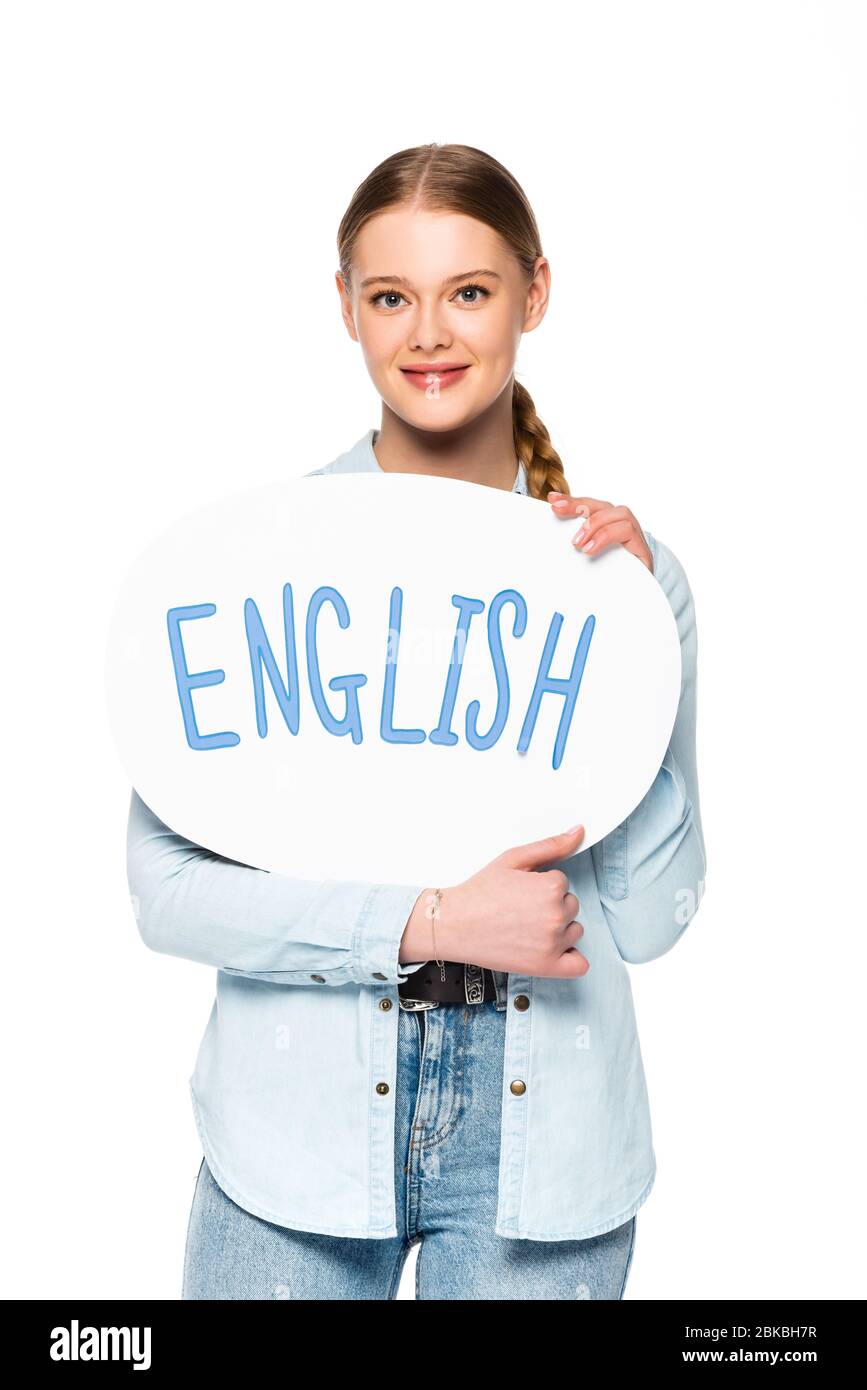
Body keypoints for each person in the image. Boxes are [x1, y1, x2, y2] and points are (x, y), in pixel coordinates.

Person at [126, 143, 707, 1300]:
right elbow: (167, 894)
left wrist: (638, 644)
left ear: (534, 294)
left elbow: (650, 919)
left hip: (545, 1153)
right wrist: (432, 920)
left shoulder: (627, 577)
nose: (429, 333)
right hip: (293, 1136)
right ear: (346, 307)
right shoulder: (260, 562)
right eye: (392, 295)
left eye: (471, 293)